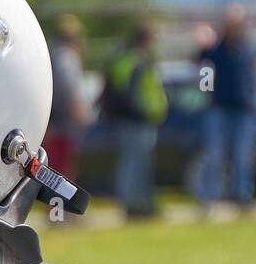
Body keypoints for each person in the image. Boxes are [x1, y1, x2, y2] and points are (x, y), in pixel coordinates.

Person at [103, 23, 167, 219]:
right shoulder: (136, 61)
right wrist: (143, 111)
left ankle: (138, 201)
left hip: (134, 119)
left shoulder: (126, 59)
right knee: (135, 162)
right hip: (137, 120)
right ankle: (132, 203)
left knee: (136, 162)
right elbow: (132, 94)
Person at [198, 5, 256, 213]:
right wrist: (203, 45)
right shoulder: (214, 50)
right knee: (214, 154)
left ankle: (242, 196)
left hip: (244, 109)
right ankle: (209, 198)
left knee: (243, 155)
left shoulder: (249, 49)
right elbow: (202, 69)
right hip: (219, 108)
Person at [43, 14, 94, 183]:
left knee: (57, 169)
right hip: (63, 124)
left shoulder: (53, 54)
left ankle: (55, 207)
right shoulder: (66, 58)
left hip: (54, 123)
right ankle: (58, 208)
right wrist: (81, 115)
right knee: (61, 172)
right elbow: (69, 90)